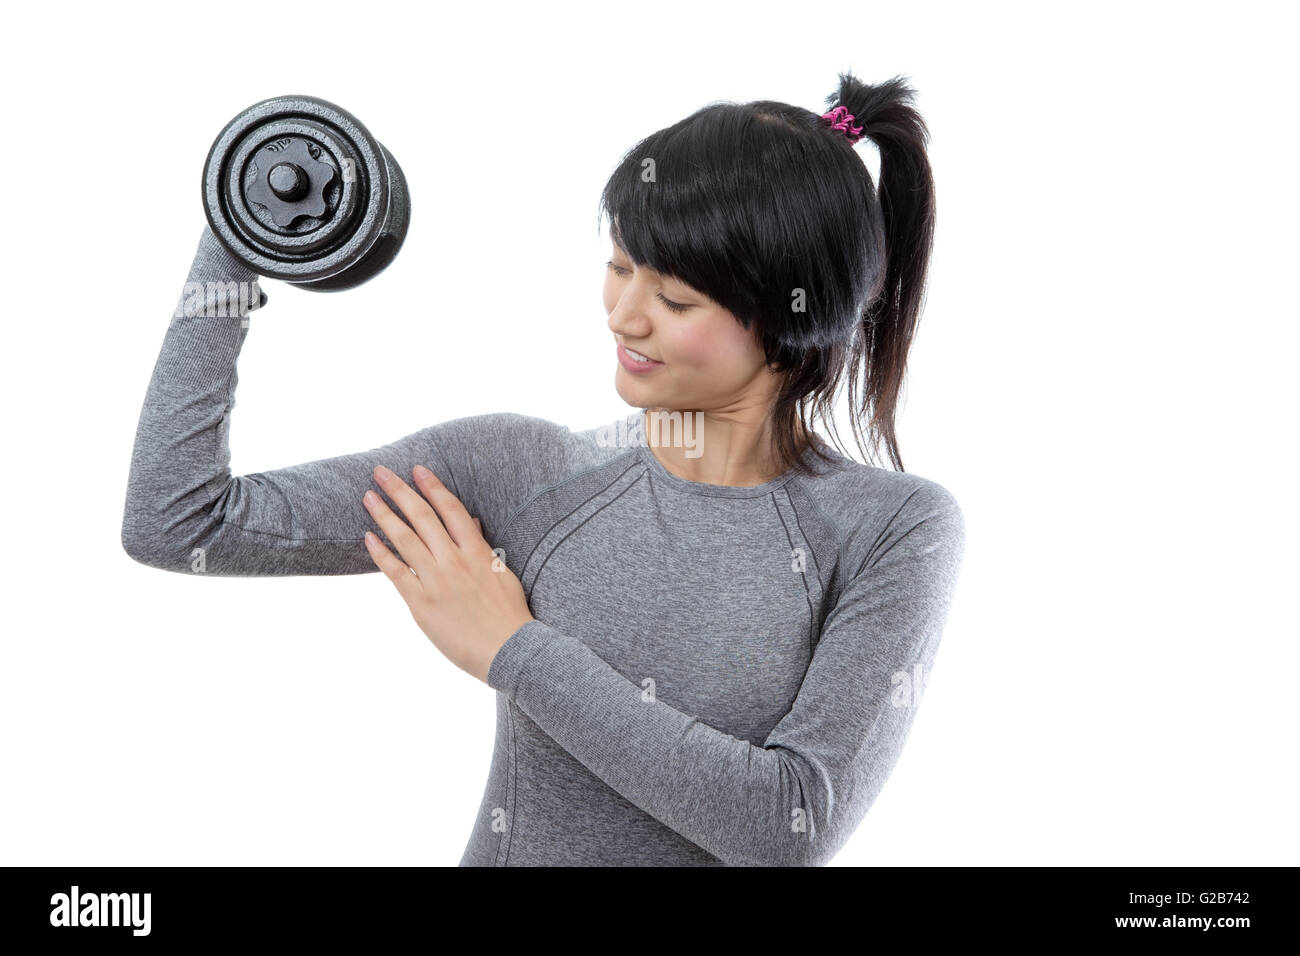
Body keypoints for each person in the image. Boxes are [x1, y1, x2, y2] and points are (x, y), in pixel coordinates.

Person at [122, 71, 966, 866]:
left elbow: (790, 824)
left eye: (675, 301)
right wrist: (236, 239)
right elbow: (180, 520)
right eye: (619, 267)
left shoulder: (893, 528)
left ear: (797, 319)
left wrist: (511, 648)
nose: (624, 316)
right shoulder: (519, 471)